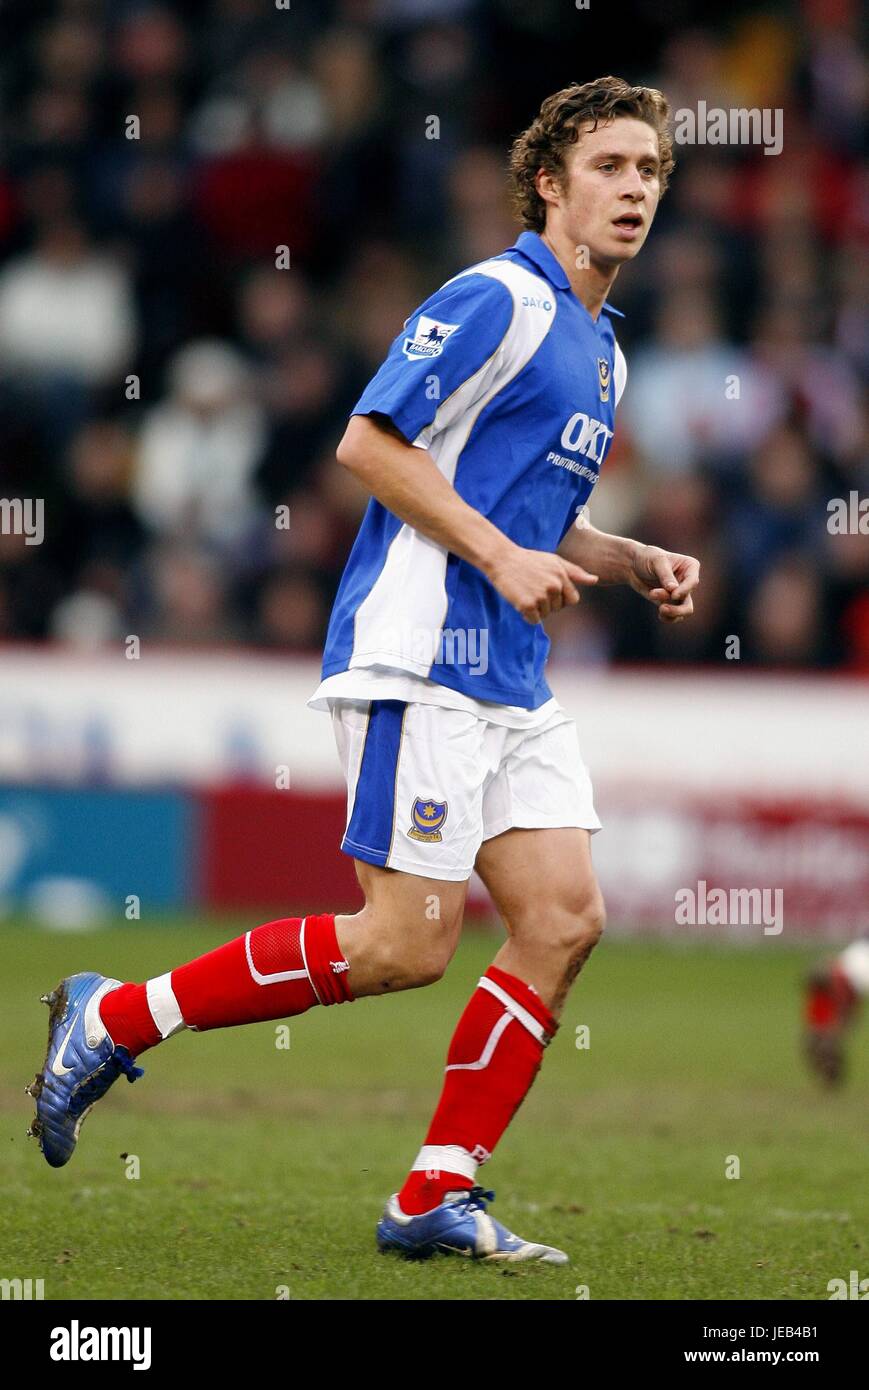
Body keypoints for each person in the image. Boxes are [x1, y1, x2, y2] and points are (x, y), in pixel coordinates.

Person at [29, 76, 700, 1265]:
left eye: (648, 169)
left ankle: (435, 1188)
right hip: (420, 647)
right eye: (608, 167)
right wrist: (497, 558)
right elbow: (368, 443)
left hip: (509, 667)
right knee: (400, 944)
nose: (633, 189)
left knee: (560, 918)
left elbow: (526, 505)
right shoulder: (495, 299)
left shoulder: (601, 350)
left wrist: (622, 552)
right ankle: (114, 1016)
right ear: (548, 184)